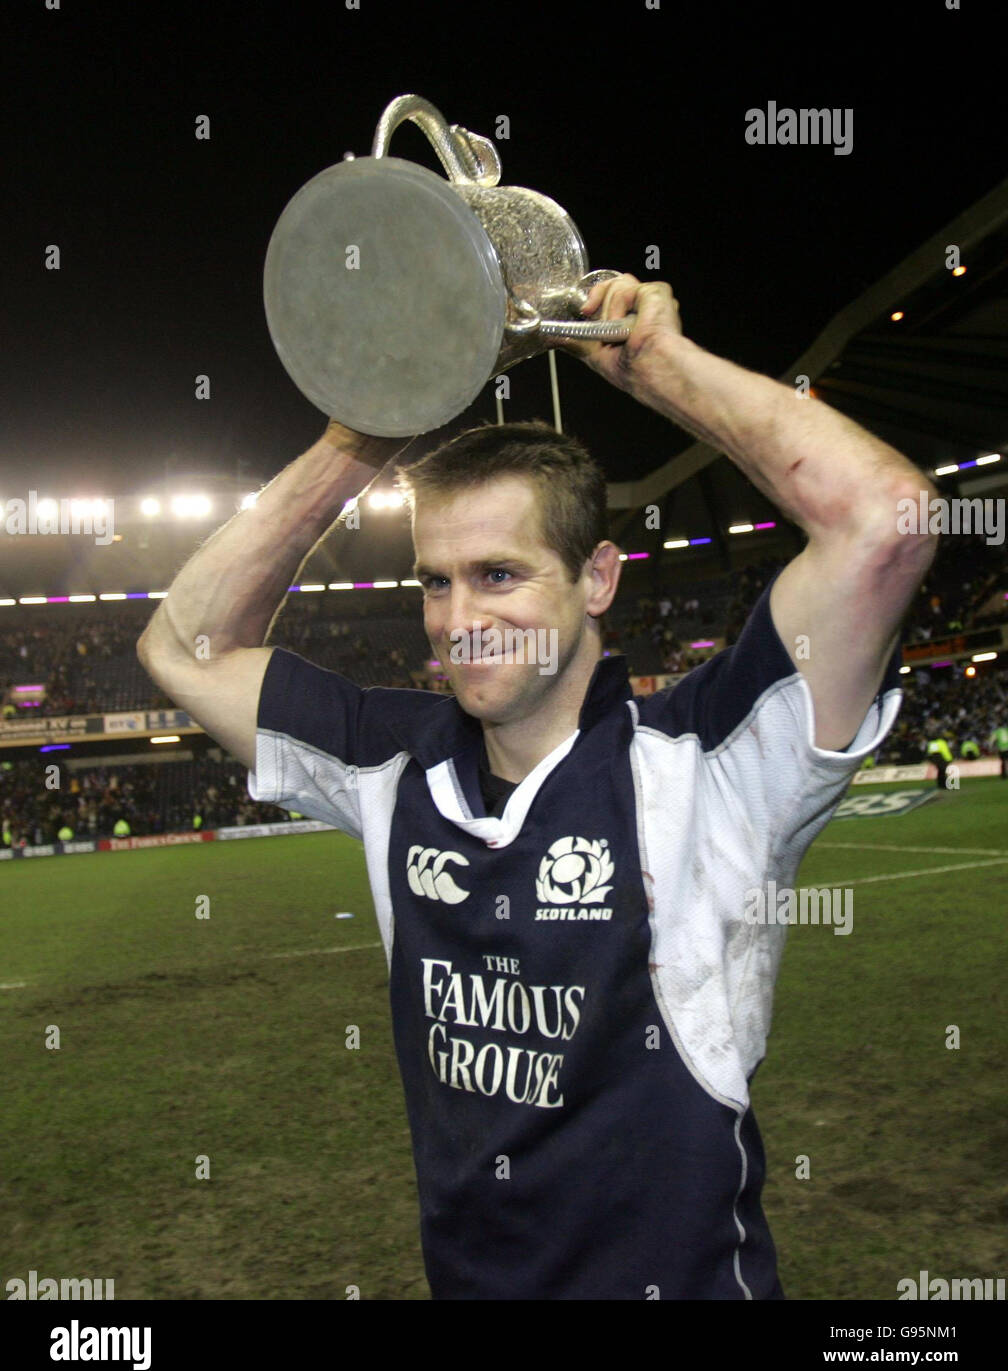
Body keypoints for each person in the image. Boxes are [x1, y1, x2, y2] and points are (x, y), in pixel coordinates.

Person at [137, 273, 938, 1299]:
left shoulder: (710, 759)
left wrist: (662, 369)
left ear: (598, 578)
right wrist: (365, 435)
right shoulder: (393, 761)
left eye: (501, 574)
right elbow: (185, 648)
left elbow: (891, 521)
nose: (459, 615)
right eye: (437, 579)